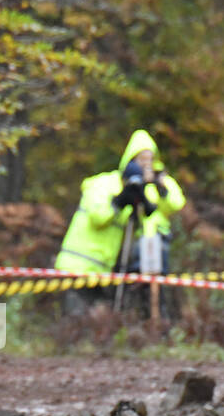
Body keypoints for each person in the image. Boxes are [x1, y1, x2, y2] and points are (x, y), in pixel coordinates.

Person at [55, 129, 186, 317]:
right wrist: (119, 201)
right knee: (77, 319)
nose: (145, 164)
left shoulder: (155, 183)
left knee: (95, 322)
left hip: (102, 269)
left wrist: (157, 189)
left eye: (149, 159)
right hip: (79, 265)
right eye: (140, 159)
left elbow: (173, 205)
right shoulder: (103, 184)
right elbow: (98, 217)